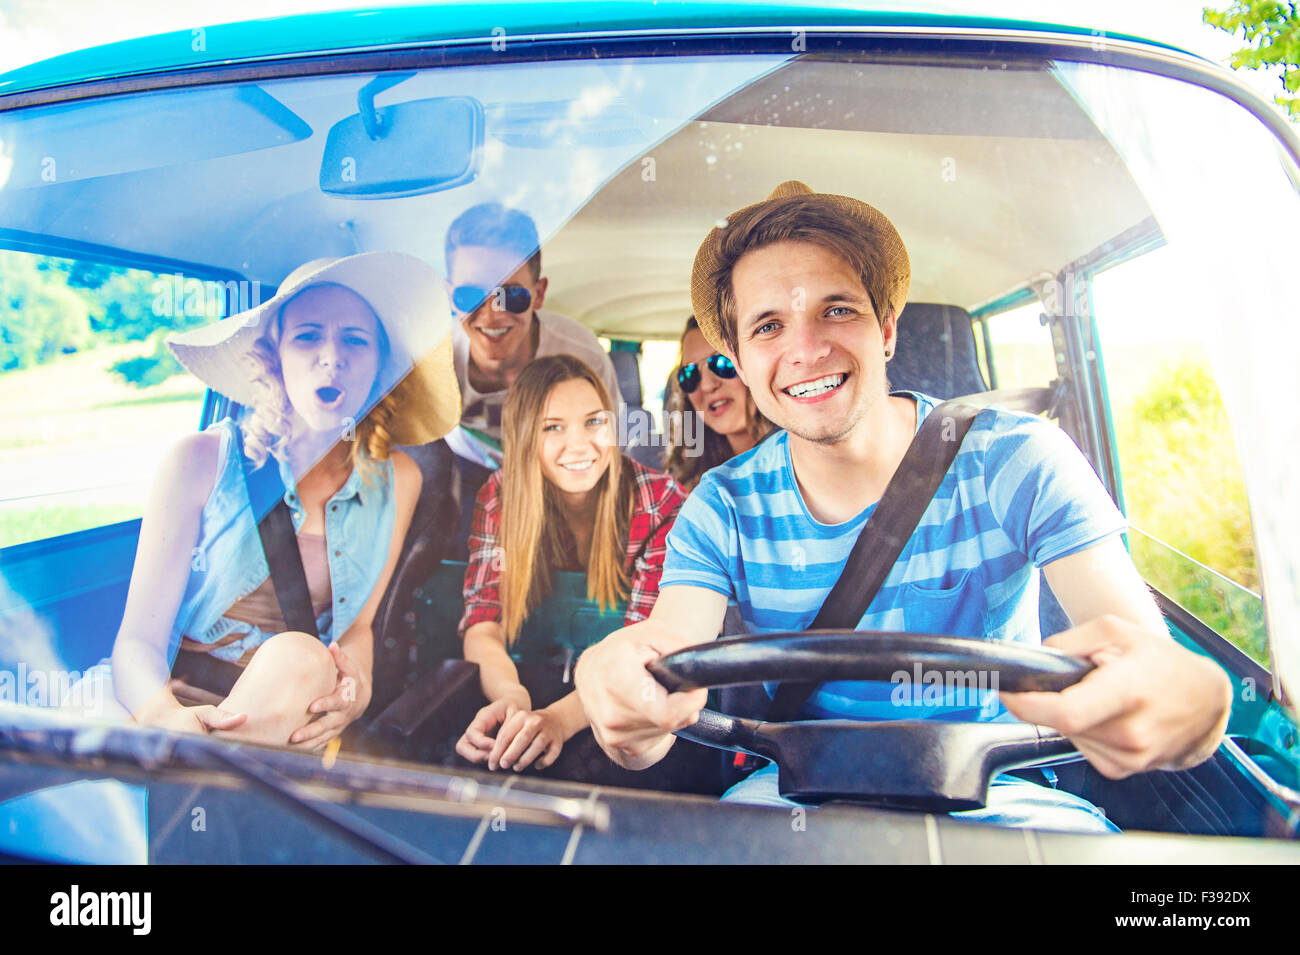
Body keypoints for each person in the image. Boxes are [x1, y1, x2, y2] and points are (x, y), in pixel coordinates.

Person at [575, 181, 1233, 831]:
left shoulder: (1018, 460)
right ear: (741, 362)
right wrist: (619, 694)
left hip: (1006, 796)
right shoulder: (720, 508)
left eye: (837, 310)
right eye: (768, 325)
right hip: (797, 802)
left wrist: (1195, 700)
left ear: (887, 330)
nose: (805, 348)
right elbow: (661, 668)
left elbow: (1149, 659)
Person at [73, 252, 460, 751]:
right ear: (275, 356)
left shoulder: (401, 480)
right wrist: (161, 717)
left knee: (299, 656)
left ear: (380, 367)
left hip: (295, 700)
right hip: (167, 702)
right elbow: (136, 643)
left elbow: (360, 628)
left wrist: (357, 692)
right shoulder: (198, 460)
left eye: (355, 340)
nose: (331, 357)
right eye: (307, 336)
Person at [454, 355, 686, 775]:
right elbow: (483, 622)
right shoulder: (499, 497)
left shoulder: (659, 502)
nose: (579, 445)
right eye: (553, 427)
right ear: (525, 436)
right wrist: (510, 696)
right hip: (530, 679)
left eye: (594, 422)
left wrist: (558, 720)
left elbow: (644, 648)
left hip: (634, 709)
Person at [442, 201, 622, 472]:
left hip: (553, 470)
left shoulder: (581, 357)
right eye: (471, 296)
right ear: (450, 296)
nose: (492, 313)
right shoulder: (433, 362)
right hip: (464, 468)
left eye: (511, 295)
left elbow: (605, 446)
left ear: (538, 294)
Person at [664, 315, 773, 493]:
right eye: (690, 374)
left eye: (721, 362)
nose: (706, 385)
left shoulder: (808, 463)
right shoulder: (692, 488)